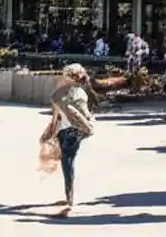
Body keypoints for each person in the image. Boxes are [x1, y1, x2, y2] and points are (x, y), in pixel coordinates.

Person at [47, 63, 94, 219]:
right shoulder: (76, 92)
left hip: (71, 131)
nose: (62, 76)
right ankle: (69, 194)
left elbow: (81, 114)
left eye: (65, 74)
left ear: (70, 76)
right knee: (68, 162)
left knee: (67, 162)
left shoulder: (70, 92)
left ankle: (70, 199)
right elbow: (57, 113)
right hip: (67, 131)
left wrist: (52, 128)